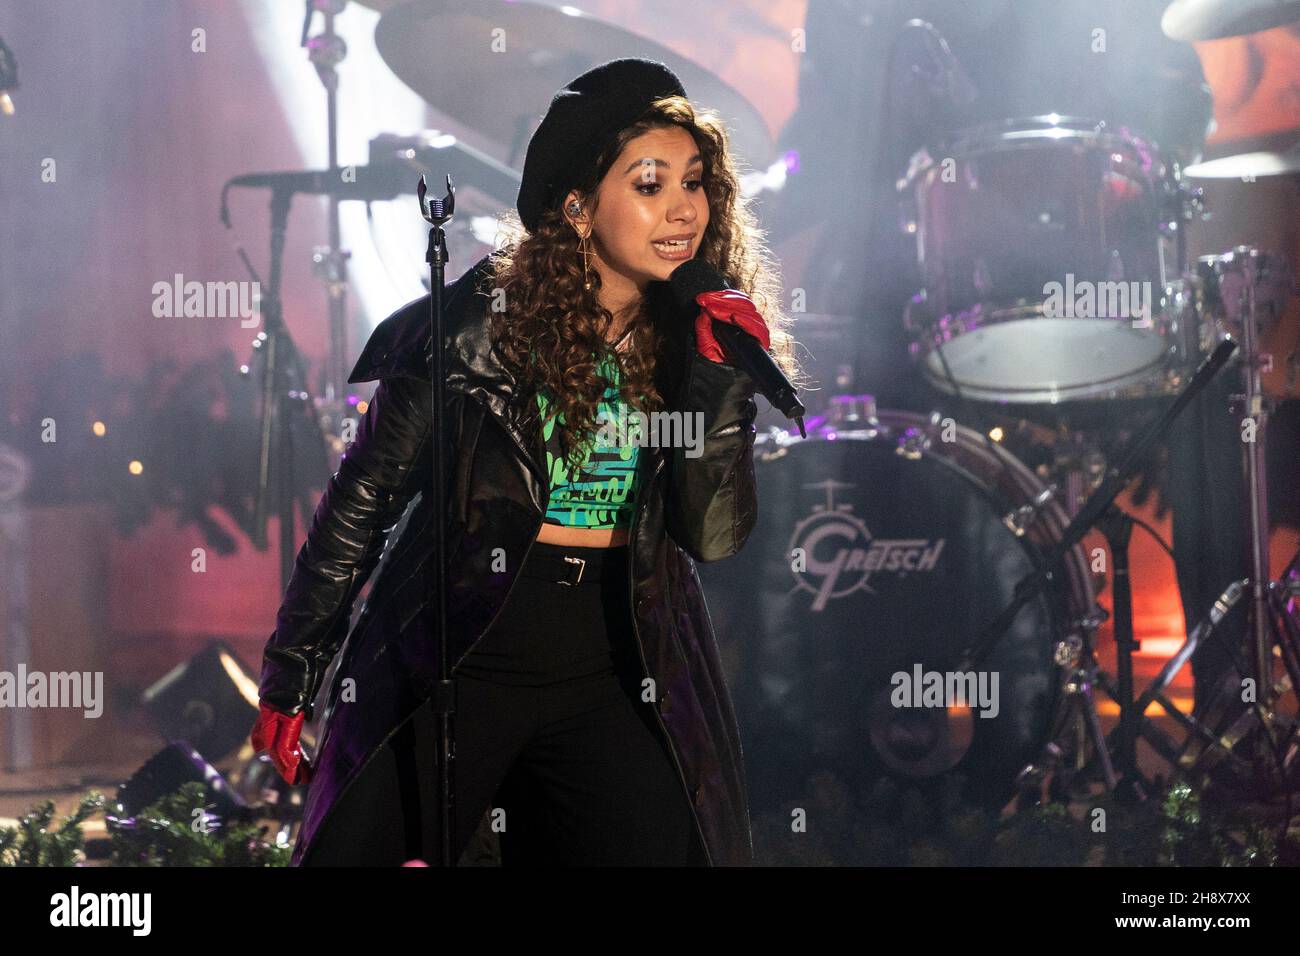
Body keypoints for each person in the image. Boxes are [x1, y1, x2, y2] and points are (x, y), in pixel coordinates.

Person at [250, 57, 803, 866]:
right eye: (650, 186)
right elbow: (360, 502)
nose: (684, 209)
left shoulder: (694, 334)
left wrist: (720, 377)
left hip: (621, 654)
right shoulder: (473, 328)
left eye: (695, 182)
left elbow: (712, 536)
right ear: (579, 208)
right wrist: (291, 672)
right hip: (469, 643)